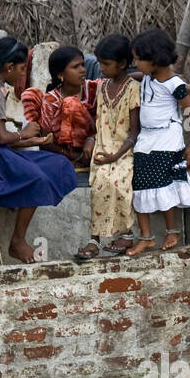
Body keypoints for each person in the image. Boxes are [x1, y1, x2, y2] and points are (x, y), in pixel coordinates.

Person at [0, 37, 78, 264]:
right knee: (36, 177)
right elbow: (2, 137)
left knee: (57, 164)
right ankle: (18, 240)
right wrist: (25, 134)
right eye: (22, 68)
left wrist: (32, 140)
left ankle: (18, 238)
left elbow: (2, 138)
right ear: (9, 67)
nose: (23, 73)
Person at [127, 28, 190, 256]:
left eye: (139, 59)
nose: (135, 63)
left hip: (166, 138)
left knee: (164, 183)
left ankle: (172, 230)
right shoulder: (148, 77)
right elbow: (136, 76)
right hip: (147, 138)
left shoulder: (173, 84)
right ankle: (146, 237)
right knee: (139, 182)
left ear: (155, 59)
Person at [76, 35, 140, 260]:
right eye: (100, 63)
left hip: (124, 150)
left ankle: (127, 234)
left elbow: (133, 133)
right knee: (100, 182)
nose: (100, 68)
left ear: (122, 64)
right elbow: (97, 123)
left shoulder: (133, 89)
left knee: (120, 181)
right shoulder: (101, 88)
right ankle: (95, 239)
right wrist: (93, 141)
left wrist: (116, 155)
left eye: (106, 64)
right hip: (103, 148)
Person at [21, 46, 101, 168]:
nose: (82, 70)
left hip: (94, 147)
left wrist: (92, 139)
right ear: (60, 74)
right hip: (65, 154)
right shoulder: (51, 99)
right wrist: (74, 157)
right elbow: (46, 140)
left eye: (82, 65)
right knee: (70, 104)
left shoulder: (94, 88)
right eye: (75, 67)